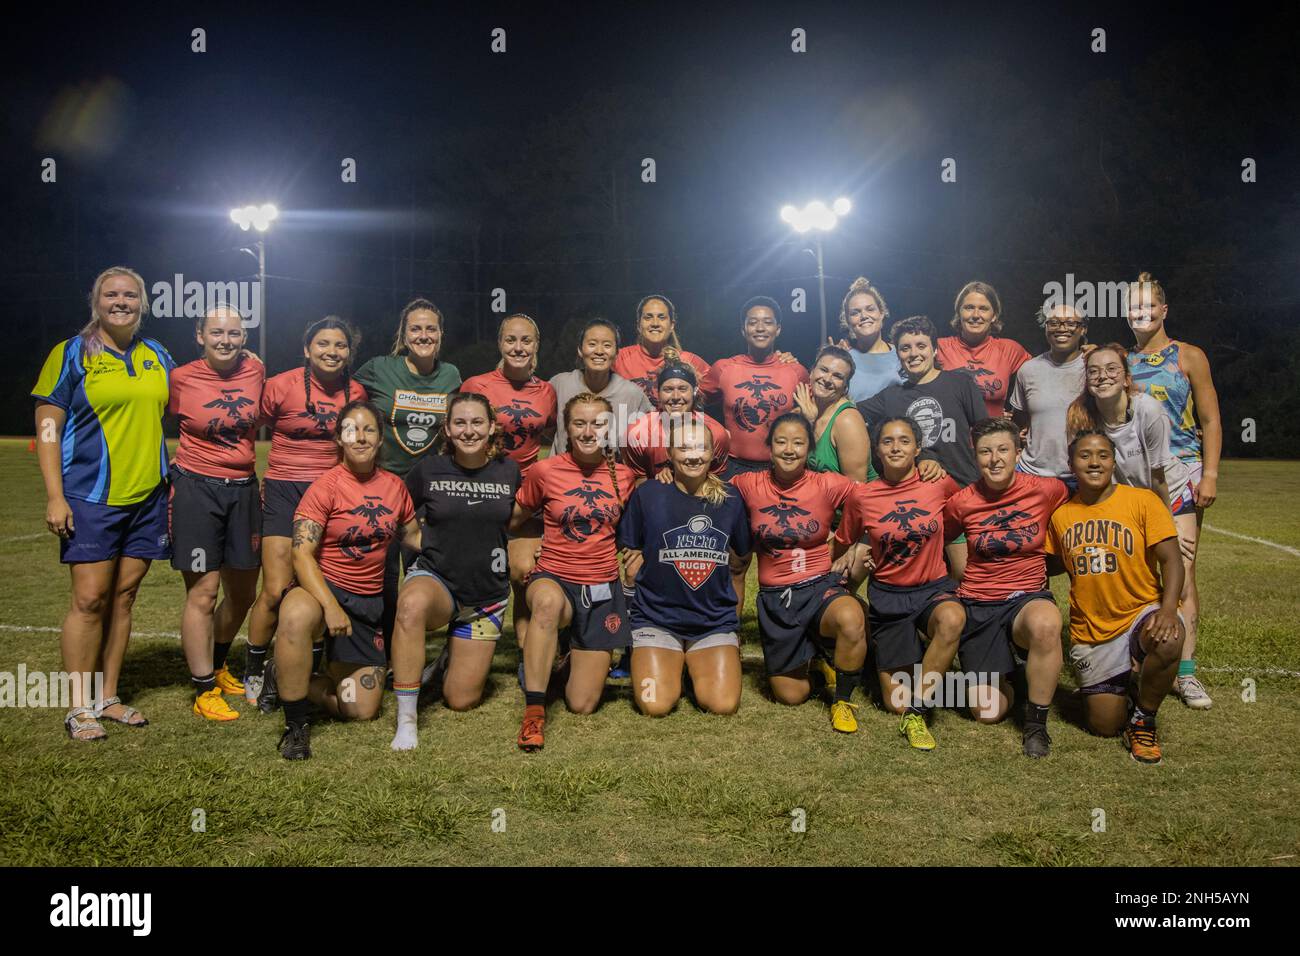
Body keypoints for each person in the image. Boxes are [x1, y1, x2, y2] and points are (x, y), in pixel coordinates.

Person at [33, 266, 174, 740]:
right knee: (90, 600)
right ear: (96, 302)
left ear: (143, 304)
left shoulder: (156, 355)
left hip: (148, 497)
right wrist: (55, 496)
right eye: (111, 294)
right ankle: (78, 707)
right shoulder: (71, 354)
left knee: (124, 598)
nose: (121, 302)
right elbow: (48, 426)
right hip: (90, 496)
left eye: (130, 295)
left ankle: (108, 696)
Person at [275, 401, 420, 760]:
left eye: (369, 429)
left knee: (360, 708)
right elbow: (301, 554)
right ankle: (296, 726)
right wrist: (330, 607)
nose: (360, 436)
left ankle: (290, 676)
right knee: (294, 617)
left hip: (366, 602)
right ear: (340, 437)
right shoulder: (326, 487)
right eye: (351, 429)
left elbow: (414, 536)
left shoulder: (394, 487)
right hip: (323, 590)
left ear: (381, 437)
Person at [244, 317, 367, 707]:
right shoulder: (281, 385)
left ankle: (300, 668)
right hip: (283, 490)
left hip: (329, 495)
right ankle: (255, 665)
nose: (332, 352)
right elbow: (247, 425)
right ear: (307, 348)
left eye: (340, 346)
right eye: (323, 344)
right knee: (278, 588)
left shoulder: (357, 391)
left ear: (349, 352)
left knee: (317, 585)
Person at [1046, 431, 1186, 764]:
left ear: (1114, 460)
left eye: (1102, 455)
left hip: (1141, 610)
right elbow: (1048, 564)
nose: (1094, 462)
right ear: (1071, 463)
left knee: (1168, 639)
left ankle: (1144, 719)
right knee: (1104, 726)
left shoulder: (1142, 501)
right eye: (1084, 456)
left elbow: (1172, 560)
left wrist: (1168, 611)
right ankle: (1127, 685)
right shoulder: (1061, 516)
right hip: (1093, 630)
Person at [390, 393, 521, 749]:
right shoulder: (428, 469)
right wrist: (421, 542)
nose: (469, 431)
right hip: (438, 581)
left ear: (491, 426)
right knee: (411, 606)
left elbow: (521, 523)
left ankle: (448, 656)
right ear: (447, 428)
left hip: (486, 597)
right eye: (459, 423)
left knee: (460, 700)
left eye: (477, 422)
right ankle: (407, 719)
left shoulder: (509, 471)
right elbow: (396, 514)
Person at [510, 393, 636, 751]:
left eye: (597, 423)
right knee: (547, 604)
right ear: (567, 428)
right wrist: (526, 548)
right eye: (579, 423)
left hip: (600, 587)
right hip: (555, 577)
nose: (588, 430)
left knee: (582, 704)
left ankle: (560, 660)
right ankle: (534, 713)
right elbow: (514, 520)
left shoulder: (624, 477)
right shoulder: (544, 471)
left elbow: (632, 528)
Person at [943, 419, 1071, 758]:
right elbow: (938, 540)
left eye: (1003, 449)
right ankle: (1014, 674)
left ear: (1018, 451)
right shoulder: (961, 502)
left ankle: (1036, 725)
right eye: (985, 451)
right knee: (987, 712)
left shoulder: (1046, 490)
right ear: (976, 456)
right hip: (978, 604)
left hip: (1025, 598)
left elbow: (1082, 505)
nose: (994, 459)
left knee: (1046, 624)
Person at [834, 418, 964, 751]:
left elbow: (953, 526)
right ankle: (907, 651)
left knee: (952, 618)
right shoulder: (862, 497)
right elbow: (843, 541)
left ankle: (917, 712)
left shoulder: (939, 484)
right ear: (877, 449)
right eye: (887, 441)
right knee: (894, 701)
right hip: (889, 596)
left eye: (905, 441)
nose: (896, 447)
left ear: (918, 448)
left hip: (932, 589)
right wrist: (836, 570)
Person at [732, 413, 867, 732]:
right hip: (777, 599)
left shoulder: (827, 483)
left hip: (819, 586)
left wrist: (848, 543)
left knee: (850, 619)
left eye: (798, 442)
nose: (789, 449)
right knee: (791, 696)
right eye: (781, 441)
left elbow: (869, 498)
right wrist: (669, 474)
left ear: (809, 449)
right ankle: (817, 657)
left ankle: (843, 702)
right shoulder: (748, 484)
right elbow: (706, 490)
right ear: (769, 447)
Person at [1124, 272, 1221, 710]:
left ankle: (1185, 673)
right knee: (1140, 570)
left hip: (1182, 473)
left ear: (1163, 311)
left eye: (1148, 307)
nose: (1140, 314)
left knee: (1182, 569)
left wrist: (1211, 474)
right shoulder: (1120, 362)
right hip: (1136, 477)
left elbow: (1211, 420)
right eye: (1133, 307)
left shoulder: (1189, 356)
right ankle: (1140, 660)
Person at [353, 298, 462, 675]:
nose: (423, 335)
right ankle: (381, 656)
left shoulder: (450, 375)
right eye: (416, 328)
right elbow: (339, 387)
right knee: (380, 579)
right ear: (403, 334)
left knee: (428, 573)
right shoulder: (379, 369)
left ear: (441, 335)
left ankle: (445, 655)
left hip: (425, 497)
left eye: (431, 328)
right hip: (381, 492)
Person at [167, 304, 265, 720]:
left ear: (244, 338)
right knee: (203, 593)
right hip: (196, 490)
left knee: (243, 593)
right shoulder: (180, 378)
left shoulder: (256, 370)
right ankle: (203, 687)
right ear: (200, 335)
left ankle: (220, 663)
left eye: (234, 333)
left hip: (244, 489)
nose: (226, 340)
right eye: (217, 333)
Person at [619, 419, 752, 716]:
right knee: (656, 705)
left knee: (723, 705)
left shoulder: (730, 499)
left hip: (712, 620)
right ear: (669, 452)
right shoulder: (648, 495)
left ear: (713, 453)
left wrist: (733, 625)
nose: (693, 455)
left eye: (701, 447)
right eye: (684, 447)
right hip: (657, 618)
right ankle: (663, 659)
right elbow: (630, 552)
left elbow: (740, 564)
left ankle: (692, 665)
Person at [698, 296, 808, 614]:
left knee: (780, 559)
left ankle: (785, 630)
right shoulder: (724, 368)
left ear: (778, 329)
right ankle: (727, 635)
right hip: (733, 470)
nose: (760, 327)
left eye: (767, 321)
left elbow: (815, 412)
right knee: (734, 558)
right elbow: (687, 396)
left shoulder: (796, 370)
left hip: (779, 472)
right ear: (743, 329)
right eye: (753, 322)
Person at [858, 315, 985, 578]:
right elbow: (849, 412)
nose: (913, 353)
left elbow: (985, 433)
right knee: (923, 577)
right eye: (905, 348)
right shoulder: (892, 397)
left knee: (966, 577)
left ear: (934, 349)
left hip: (962, 492)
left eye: (921, 345)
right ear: (898, 354)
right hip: (919, 503)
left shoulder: (960, 383)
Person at [462, 314, 556, 652]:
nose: (518, 347)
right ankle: (464, 647)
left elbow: (558, 433)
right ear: (500, 343)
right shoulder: (477, 385)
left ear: (536, 346)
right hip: (484, 489)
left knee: (522, 571)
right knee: (476, 572)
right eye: (511, 340)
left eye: (526, 340)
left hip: (526, 495)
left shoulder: (547, 391)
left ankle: (526, 653)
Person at [1066, 343, 1193, 516]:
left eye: (1112, 369)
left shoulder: (1148, 410)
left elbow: (1158, 479)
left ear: (1126, 379)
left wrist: (1167, 528)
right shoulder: (1079, 415)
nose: (1102, 376)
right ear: (1087, 382)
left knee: (1174, 543)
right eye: (1093, 371)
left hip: (1169, 494)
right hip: (1128, 500)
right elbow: (1083, 474)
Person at [1008, 302, 1089, 486]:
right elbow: (1018, 421)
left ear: (1082, 329)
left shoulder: (1093, 367)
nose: (1061, 329)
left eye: (1070, 323)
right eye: (1053, 322)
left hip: (1079, 477)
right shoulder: (1028, 370)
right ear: (1045, 327)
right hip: (1032, 474)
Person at [550, 317, 652, 455]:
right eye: (592, 344)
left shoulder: (632, 393)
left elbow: (654, 433)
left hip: (612, 474)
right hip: (561, 473)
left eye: (607, 345)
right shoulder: (560, 384)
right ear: (580, 350)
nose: (599, 351)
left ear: (617, 353)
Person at [937, 280, 1031, 419]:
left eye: (983, 309)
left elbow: (1042, 376)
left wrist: (1025, 421)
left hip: (993, 438)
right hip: (951, 439)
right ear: (959, 312)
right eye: (969, 307)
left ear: (994, 316)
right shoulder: (940, 347)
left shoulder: (1009, 350)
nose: (975, 315)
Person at [623, 362, 730, 481]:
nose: (675, 396)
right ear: (657, 393)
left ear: (694, 392)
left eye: (683, 389)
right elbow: (638, 480)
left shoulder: (716, 433)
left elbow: (716, 481)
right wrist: (660, 487)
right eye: (668, 390)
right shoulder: (637, 432)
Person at [614, 294, 711, 406]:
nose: (655, 323)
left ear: (671, 325)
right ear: (638, 325)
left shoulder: (690, 361)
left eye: (661, 317)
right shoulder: (619, 359)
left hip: (674, 423)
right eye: (648, 317)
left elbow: (725, 389)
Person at [795, 345, 873, 482]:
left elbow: (857, 488)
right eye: (824, 370)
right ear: (811, 372)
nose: (827, 379)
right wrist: (808, 422)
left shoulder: (847, 420)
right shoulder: (802, 410)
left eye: (837, 376)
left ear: (845, 387)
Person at [831, 277, 904, 403]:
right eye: (855, 313)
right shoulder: (843, 357)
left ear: (881, 313)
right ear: (848, 321)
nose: (864, 316)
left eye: (870, 309)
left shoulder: (901, 354)